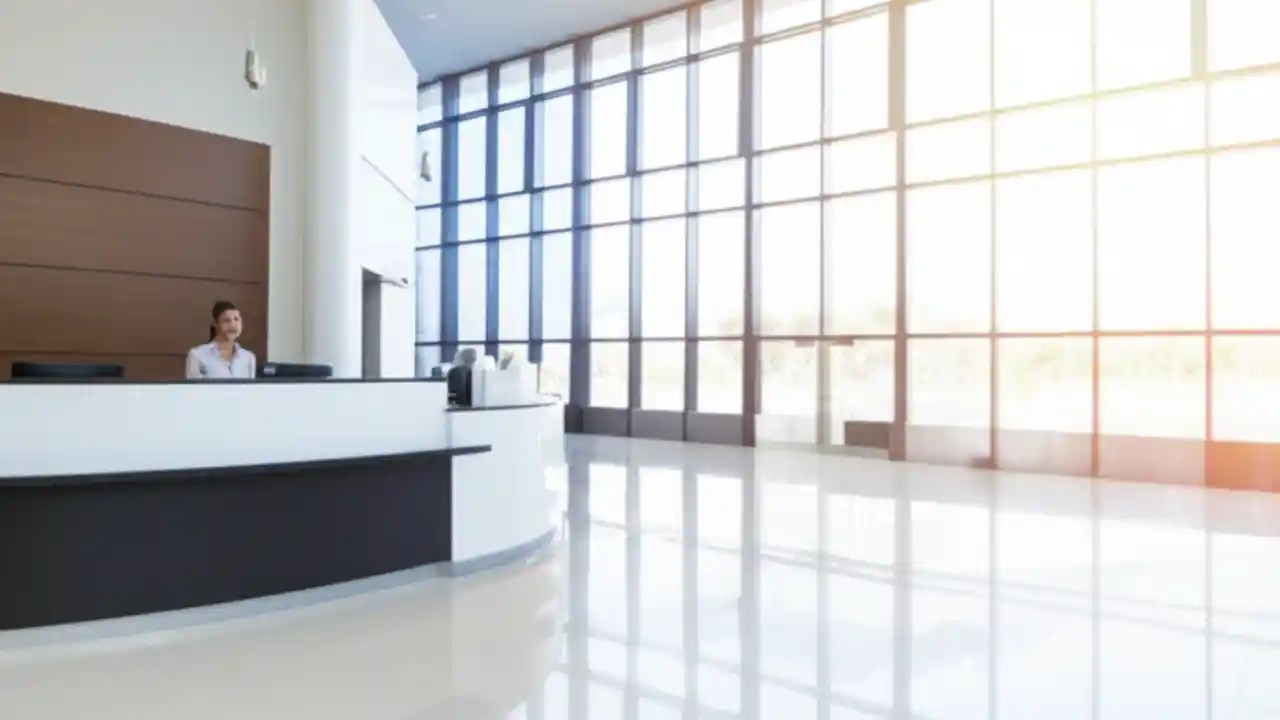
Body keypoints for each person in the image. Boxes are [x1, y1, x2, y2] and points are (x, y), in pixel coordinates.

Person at [186, 300, 257, 380]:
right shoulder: (197, 355)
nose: (233, 324)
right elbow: (193, 390)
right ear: (215, 324)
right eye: (227, 320)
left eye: (236, 319)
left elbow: (251, 390)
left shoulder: (248, 357)